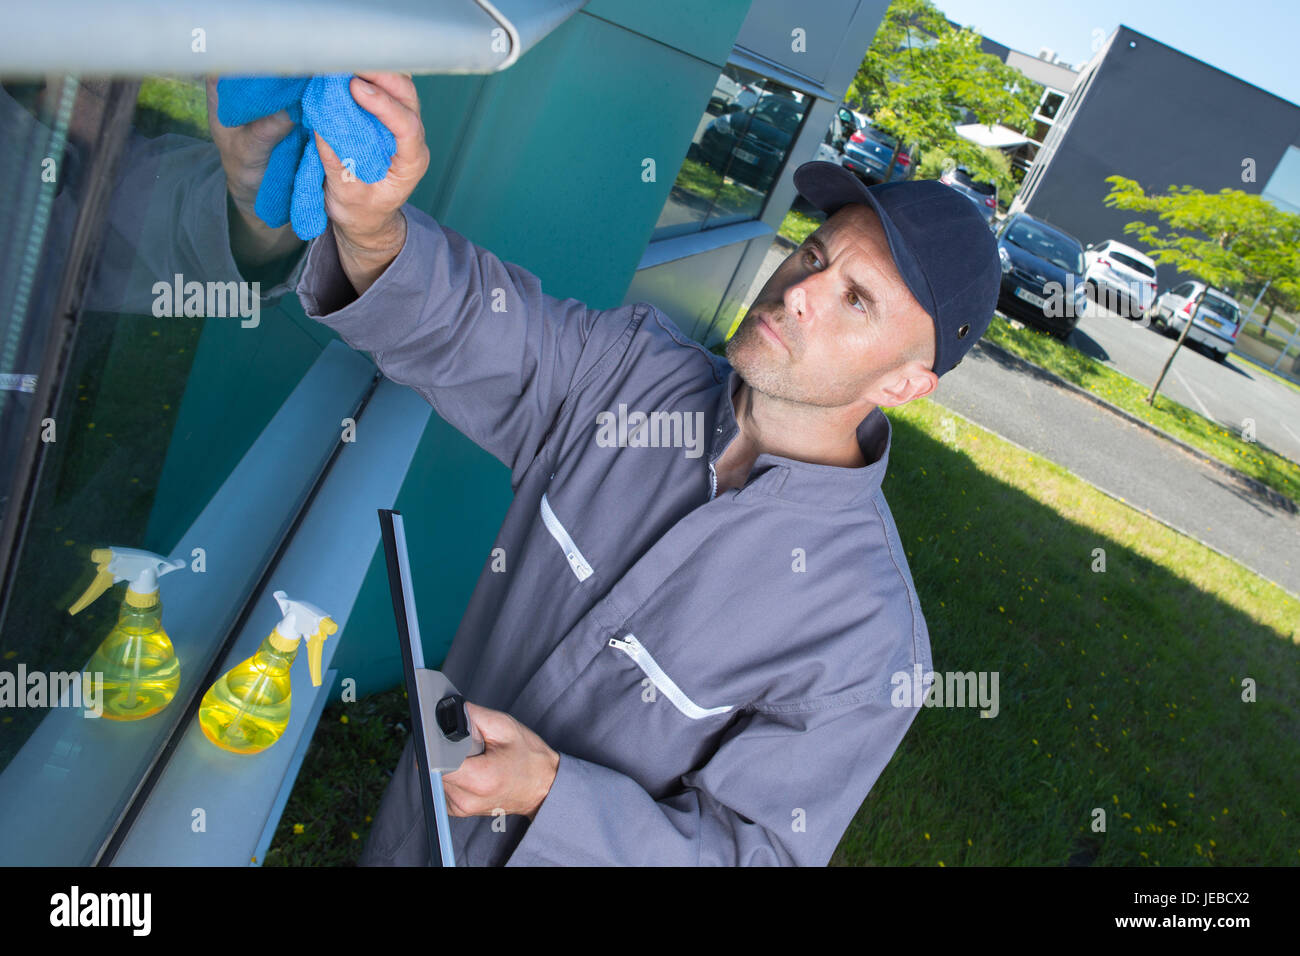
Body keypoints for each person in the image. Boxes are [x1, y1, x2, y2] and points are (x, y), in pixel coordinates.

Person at [284, 73, 1000, 865]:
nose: (799, 292)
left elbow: (753, 856)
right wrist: (373, 225)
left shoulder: (868, 641)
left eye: (856, 300)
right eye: (812, 254)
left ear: (905, 384)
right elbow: (459, 320)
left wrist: (551, 796)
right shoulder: (626, 374)